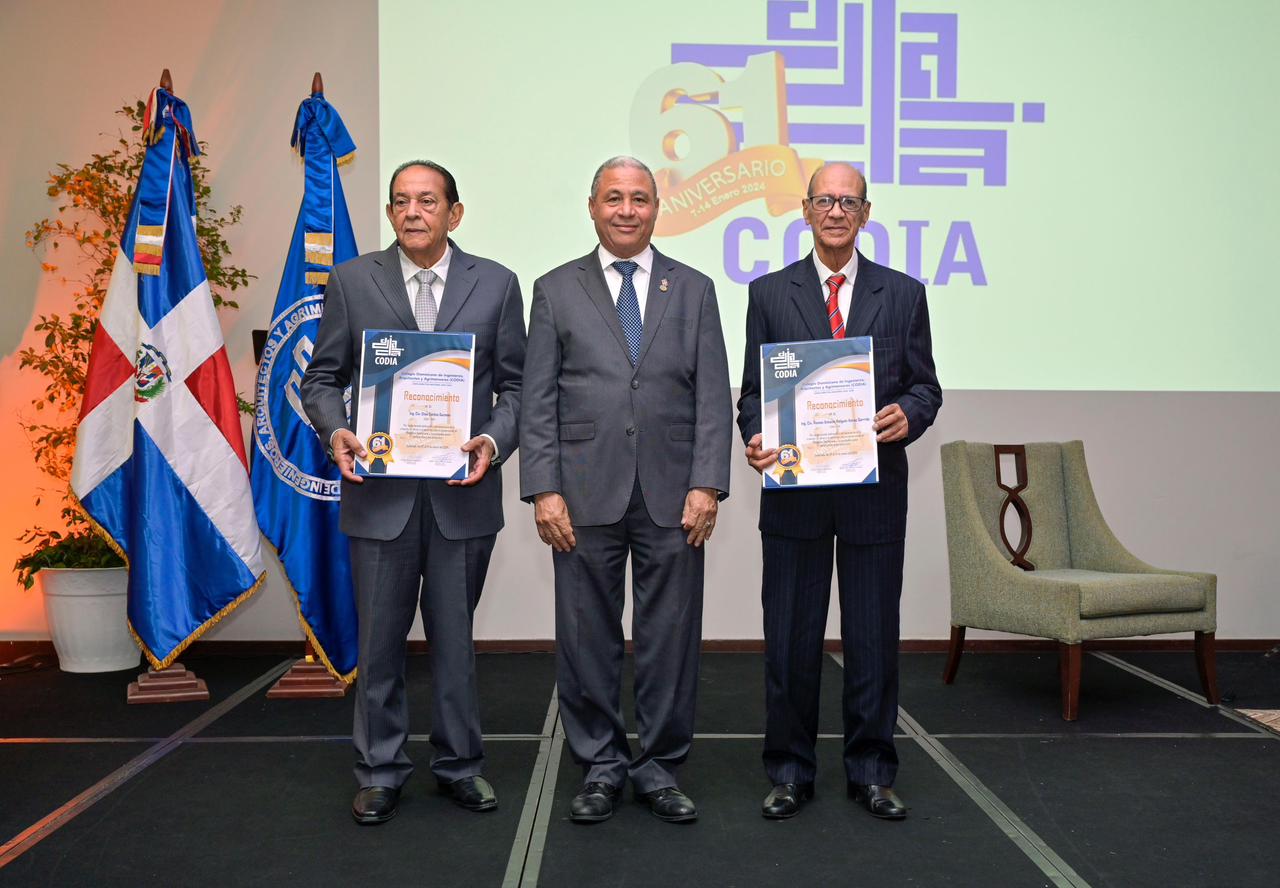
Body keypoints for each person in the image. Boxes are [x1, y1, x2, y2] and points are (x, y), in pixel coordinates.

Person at [301, 160, 526, 825]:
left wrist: (489, 441)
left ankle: (460, 766)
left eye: (427, 201)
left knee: (456, 644)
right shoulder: (351, 281)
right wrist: (337, 430)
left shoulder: (499, 284)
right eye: (401, 201)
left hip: (463, 495)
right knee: (378, 647)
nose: (412, 212)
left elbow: (516, 388)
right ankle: (379, 771)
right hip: (380, 497)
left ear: (454, 212)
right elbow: (321, 378)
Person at [519, 156, 732, 824]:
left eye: (640, 198)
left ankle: (661, 767)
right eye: (614, 198)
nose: (627, 209)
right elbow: (538, 399)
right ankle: (602, 765)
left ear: (655, 208)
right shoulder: (555, 289)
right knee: (587, 636)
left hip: (674, 494)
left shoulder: (692, 289)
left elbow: (712, 399)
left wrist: (708, 483)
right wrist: (543, 489)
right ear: (592, 206)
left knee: (670, 635)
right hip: (582, 492)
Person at [736, 162, 942, 821]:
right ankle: (791, 772)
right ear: (805, 209)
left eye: (847, 202)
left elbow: (925, 386)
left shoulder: (903, 294)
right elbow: (750, 395)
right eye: (824, 200)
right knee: (791, 644)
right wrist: (755, 437)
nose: (835, 211)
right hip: (794, 496)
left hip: (873, 496)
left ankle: (872, 772)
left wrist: (909, 414)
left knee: (874, 641)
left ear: (866, 213)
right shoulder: (769, 293)